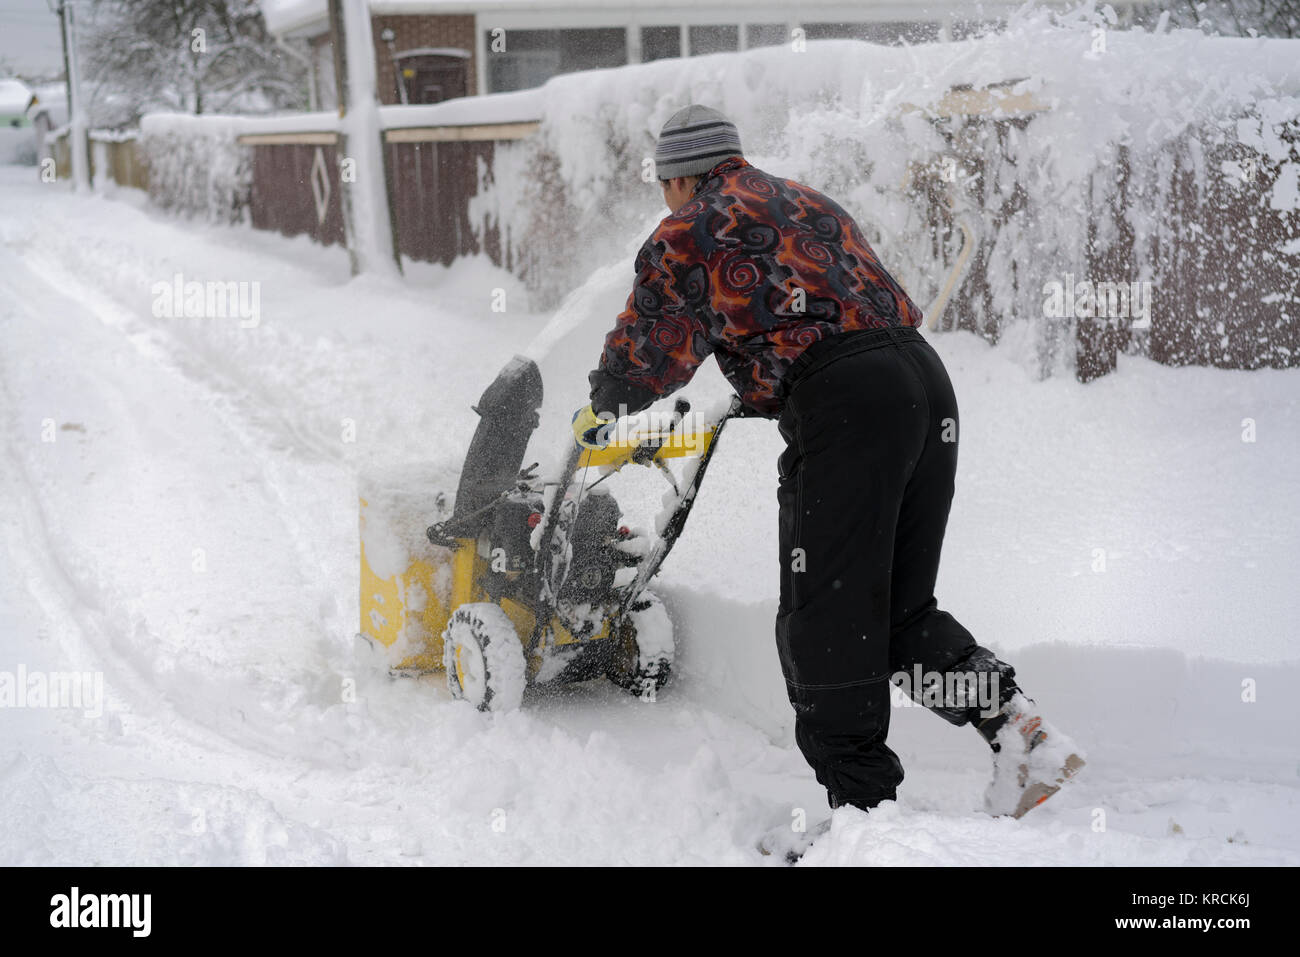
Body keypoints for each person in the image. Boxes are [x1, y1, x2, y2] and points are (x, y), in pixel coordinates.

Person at [571, 105, 1083, 827]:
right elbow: (813, 309)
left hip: (847, 405)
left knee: (827, 623)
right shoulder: (805, 200)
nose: (665, 201)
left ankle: (867, 820)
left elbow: (656, 339)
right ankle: (1019, 730)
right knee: (900, 612)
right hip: (922, 383)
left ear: (680, 179)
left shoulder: (691, 226)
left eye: (664, 187)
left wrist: (610, 397)